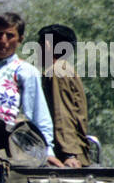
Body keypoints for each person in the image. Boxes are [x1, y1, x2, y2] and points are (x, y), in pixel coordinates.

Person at [0, 12, 53, 151]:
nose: (3, 40)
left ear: (20, 39)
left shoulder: (25, 71)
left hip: (11, 145)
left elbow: (39, 114)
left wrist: (47, 151)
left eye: (10, 35)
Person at [37, 24, 90, 167]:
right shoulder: (64, 70)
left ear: (47, 45)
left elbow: (63, 114)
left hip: (64, 157)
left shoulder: (57, 71)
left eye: (39, 44)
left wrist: (69, 154)